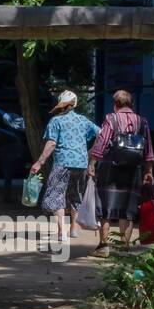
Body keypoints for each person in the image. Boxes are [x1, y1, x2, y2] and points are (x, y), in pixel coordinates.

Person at [29, 90, 100, 247]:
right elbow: (101, 134)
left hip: (62, 163)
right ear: (74, 104)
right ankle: (73, 228)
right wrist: (90, 152)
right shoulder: (83, 120)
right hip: (81, 164)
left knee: (56, 194)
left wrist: (39, 163)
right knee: (75, 195)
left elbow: (52, 143)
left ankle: (62, 232)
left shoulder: (56, 121)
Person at [88, 89, 154, 255]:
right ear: (131, 104)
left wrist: (92, 163)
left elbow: (102, 142)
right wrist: (149, 171)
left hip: (110, 167)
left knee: (105, 206)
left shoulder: (111, 118)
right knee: (129, 207)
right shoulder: (142, 121)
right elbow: (148, 149)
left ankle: (103, 246)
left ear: (115, 105)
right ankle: (124, 247)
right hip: (133, 169)